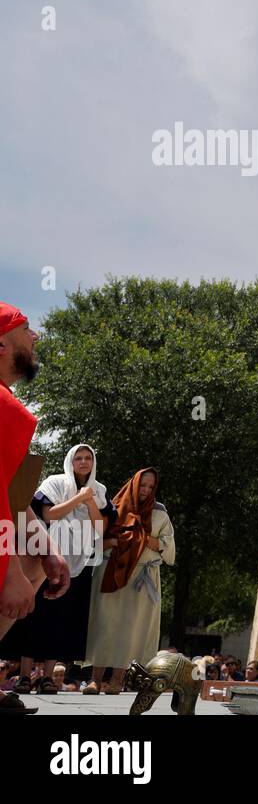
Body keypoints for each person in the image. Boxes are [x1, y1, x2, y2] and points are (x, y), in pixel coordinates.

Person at [0, 303, 71, 712]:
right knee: (23, 562)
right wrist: (9, 573)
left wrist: (49, 549)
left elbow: (14, 495)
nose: (36, 337)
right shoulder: (5, 409)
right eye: (27, 328)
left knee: (37, 556)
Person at [6, 442, 112, 683]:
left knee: (61, 620)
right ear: (70, 460)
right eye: (79, 457)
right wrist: (79, 499)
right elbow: (48, 514)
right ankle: (24, 675)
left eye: (88, 458)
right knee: (35, 615)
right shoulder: (54, 482)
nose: (84, 462)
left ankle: (48, 677)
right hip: (47, 557)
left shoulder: (99, 489)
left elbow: (101, 526)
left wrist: (91, 500)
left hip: (81, 560)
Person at [84, 468, 176, 694]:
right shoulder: (113, 507)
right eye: (142, 485)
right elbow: (93, 541)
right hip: (110, 570)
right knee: (104, 624)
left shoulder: (159, 513)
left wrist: (139, 538)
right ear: (134, 483)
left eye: (150, 487)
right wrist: (117, 542)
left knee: (131, 627)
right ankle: (95, 679)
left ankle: (118, 680)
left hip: (142, 578)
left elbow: (168, 550)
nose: (145, 490)